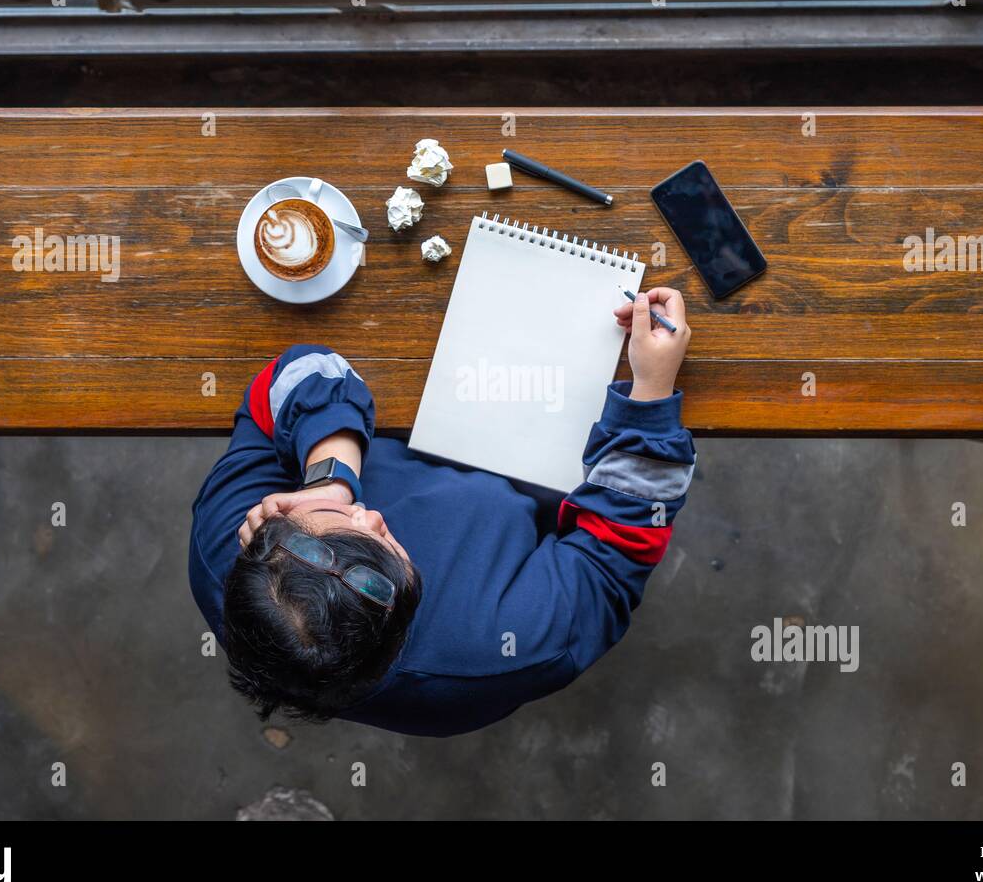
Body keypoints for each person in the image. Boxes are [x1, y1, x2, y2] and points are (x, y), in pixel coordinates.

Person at [188, 288, 695, 736]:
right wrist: (650, 393)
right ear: (407, 618)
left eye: (341, 518)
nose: (372, 517)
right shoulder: (512, 650)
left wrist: (330, 481)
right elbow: (623, 540)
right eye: (383, 546)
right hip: (555, 457)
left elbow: (297, 372)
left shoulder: (225, 545)